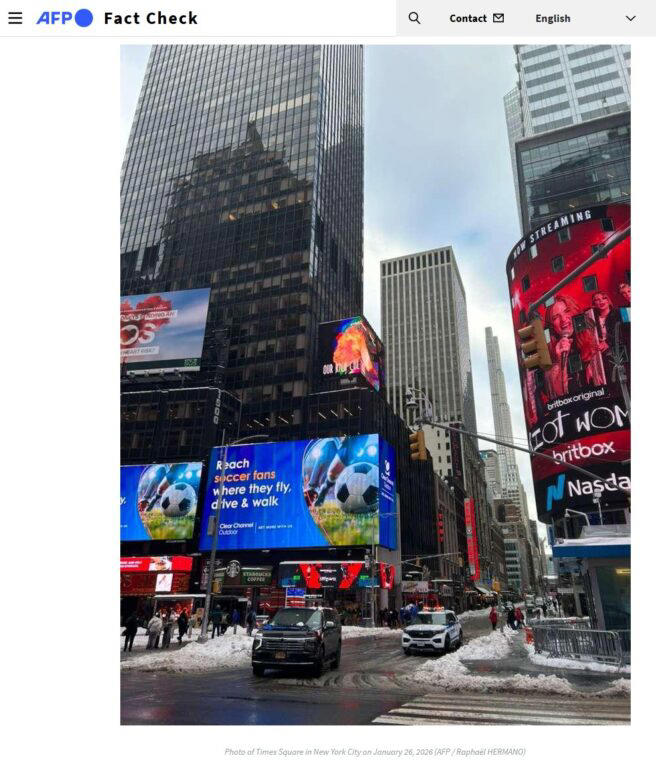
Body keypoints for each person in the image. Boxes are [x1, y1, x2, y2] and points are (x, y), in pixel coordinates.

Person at [542, 294, 605, 398]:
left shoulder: (591, 331)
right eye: (555, 317)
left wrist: (593, 365)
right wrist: (561, 360)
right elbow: (560, 392)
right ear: (552, 326)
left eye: (567, 311)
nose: (563, 319)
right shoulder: (552, 352)